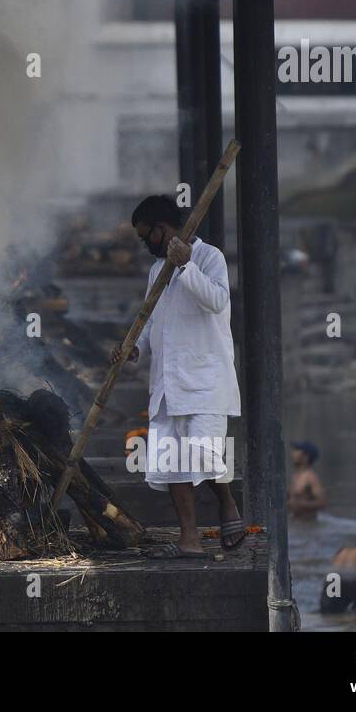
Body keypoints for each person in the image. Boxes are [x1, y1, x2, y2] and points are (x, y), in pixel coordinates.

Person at [111, 194, 244, 557]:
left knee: (206, 454)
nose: (144, 244)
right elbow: (155, 320)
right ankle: (190, 539)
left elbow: (217, 301)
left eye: (146, 236)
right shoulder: (157, 271)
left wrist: (187, 267)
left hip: (205, 378)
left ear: (163, 229)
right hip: (168, 382)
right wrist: (135, 347)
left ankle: (228, 504)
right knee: (172, 464)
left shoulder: (208, 257)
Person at [288, 440, 327, 519]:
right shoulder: (295, 476)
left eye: (297, 450)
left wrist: (300, 504)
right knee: (260, 530)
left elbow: (322, 503)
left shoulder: (311, 478)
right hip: (297, 524)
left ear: (306, 456)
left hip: (308, 526)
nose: (293, 453)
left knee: (259, 530)